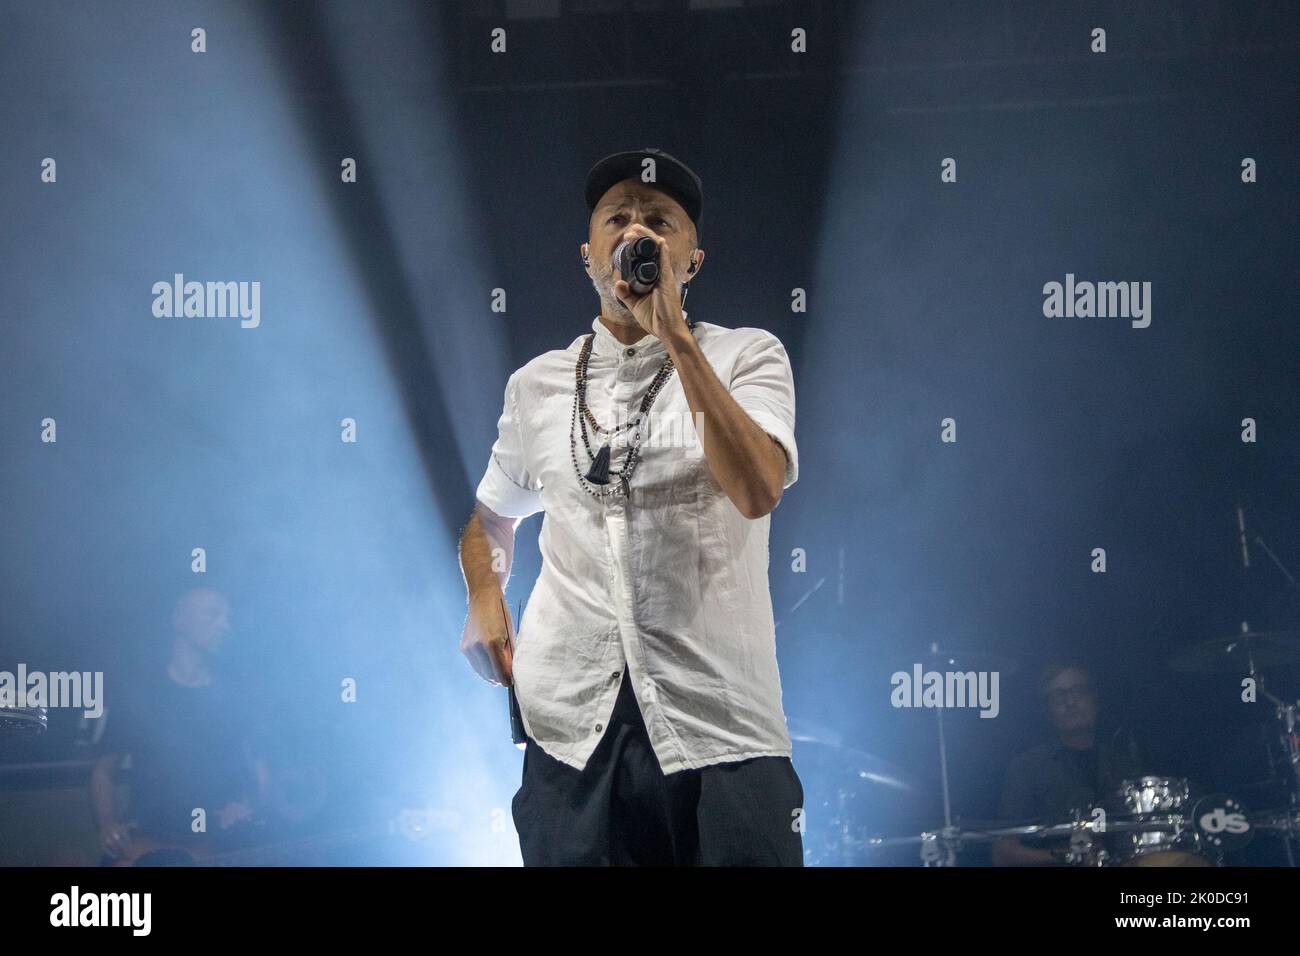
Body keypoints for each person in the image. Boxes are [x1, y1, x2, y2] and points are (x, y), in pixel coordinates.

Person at [458, 148, 805, 865]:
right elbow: (491, 519)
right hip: (571, 728)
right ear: (587, 255)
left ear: (693, 259)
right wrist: (485, 597)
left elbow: (757, 488)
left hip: (719, 723)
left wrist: (673, 334)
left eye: (659, 222)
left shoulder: (747, 356)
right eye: (616, 219)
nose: (635, 232)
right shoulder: (537, 385)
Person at [92, 587, 262, 864]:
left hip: (214, 845)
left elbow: (256, 768)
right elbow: (104, 772)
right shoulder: (140, 692)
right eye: (213, 614)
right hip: (147, 844)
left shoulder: (235, 695)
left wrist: (245, 806)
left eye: (228, 618)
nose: (225, 625)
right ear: (180, 620)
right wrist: (108, 826)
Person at [992, 662, 1157, 866]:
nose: (1070, 702)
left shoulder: (1125, 765)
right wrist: (1067, 856)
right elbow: (1003, 853)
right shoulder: (1027, 767)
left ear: (1095, 700)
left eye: (1079, 691)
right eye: (1058, 696)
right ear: (1047, 710)